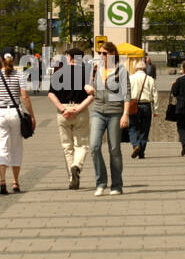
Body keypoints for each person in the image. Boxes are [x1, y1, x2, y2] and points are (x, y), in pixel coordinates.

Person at [86, 40, 132, 195]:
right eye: (99, 53)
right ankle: (101, 182)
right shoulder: (96, 69)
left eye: (104, 53)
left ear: (112, 54)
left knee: (114, 149)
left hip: (115, 112)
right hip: (98, 110)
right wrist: (88, 88)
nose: (101, 55)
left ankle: (117, 185)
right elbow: (89, 85)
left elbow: (127, 94)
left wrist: (125, 114)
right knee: (94, 146)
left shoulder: (121, 70)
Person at [0, 52, 36, 194]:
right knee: (16, 147)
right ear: (14, 59)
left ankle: (2, 181)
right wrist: (32, 115)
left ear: (0, 60)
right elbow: (24, 96)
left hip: (0, 112)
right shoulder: (19, 75)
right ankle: (15, 182)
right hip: (15, 113)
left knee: (1, 146)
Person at [48, 47, 93, 189]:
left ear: (69, 58)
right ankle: (76, 166)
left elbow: (51, 94)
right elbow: (91, 95)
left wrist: (63, 109)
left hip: (63, 113)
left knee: (67, 147)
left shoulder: (59, 73)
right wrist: (78, 109)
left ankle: (71, 178)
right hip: (80, 111)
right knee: (82, 144)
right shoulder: (86, 73)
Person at [129, 59, 158, 159]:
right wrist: (155, 110)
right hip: (146, 105)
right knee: (144, 129)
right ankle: (141, 152)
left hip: (133, 105)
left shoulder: (130, 78)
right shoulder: (150, 79)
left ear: (135, 69)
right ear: (145, 69)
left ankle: (135, 145)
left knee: (132, 127)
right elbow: (155, 95)